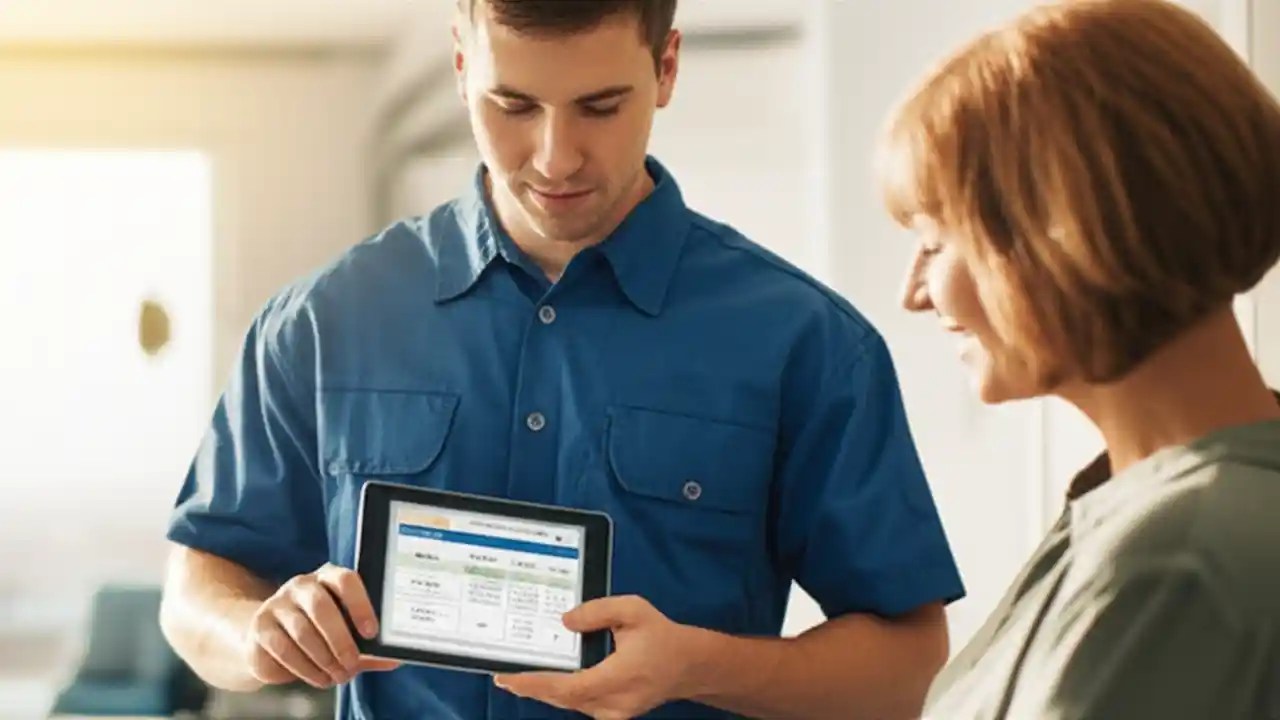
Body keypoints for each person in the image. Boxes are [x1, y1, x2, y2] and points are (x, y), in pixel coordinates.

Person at [159, 1, 966, 718]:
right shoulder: (321, 322)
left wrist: (701, 666)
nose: (554, 158)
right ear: (461, 62)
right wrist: (259, 633)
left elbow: (907, 670)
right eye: (513, 105)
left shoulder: (808, 344)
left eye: (600, 107)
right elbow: (197, 593)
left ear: (667, 68)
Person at [878, 0, 1280, 717]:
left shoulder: (1179, 560)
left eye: (937, 243)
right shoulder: (1142, 511)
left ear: (1062, 232)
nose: (913, 293)